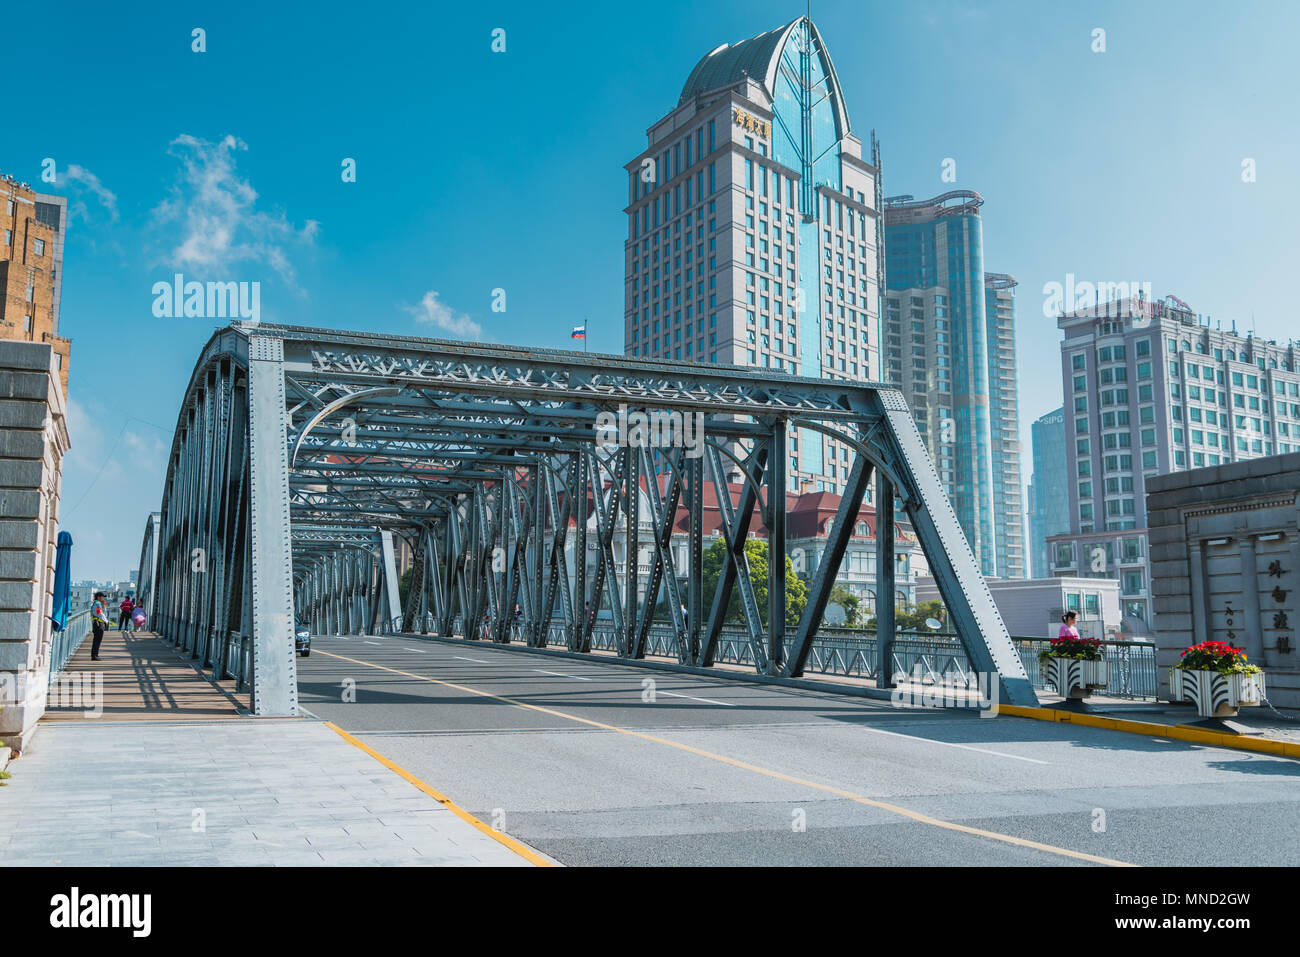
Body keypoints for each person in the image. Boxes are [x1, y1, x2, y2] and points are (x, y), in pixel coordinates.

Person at [90, 591, 109, 661]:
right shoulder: (97, 604)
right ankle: (95, 655)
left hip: (96, 623)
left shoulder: (96, 603)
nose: (103, 598)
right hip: (99, 624)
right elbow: (100, 614)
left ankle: (94, 655)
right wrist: (106, 621)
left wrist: (104, 606)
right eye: (102, 597)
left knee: (96, 640)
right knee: (97, 640)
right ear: (98, 597)